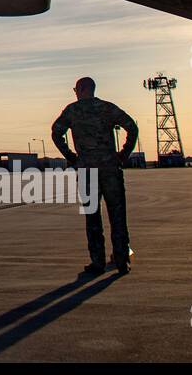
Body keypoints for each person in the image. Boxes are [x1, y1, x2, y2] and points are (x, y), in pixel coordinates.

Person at [51, 77, 139, 276]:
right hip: (110, 169)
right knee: (118, 216)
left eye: (76, 89)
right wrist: (123, 155)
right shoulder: (107, 108)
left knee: (92, 218)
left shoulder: (72, 111)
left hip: (87, 170)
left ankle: (97, 262)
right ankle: (122, 260)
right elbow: (132, 128)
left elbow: (56, 133)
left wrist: (72, 157)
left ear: (81, 89)